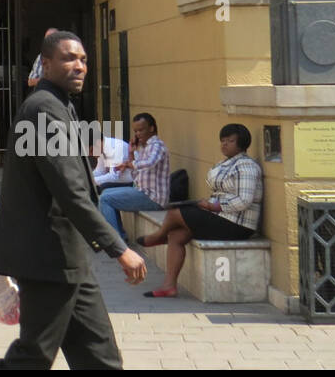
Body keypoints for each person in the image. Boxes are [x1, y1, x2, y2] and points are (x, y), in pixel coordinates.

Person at [0, 30, 146, 369]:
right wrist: (118, 248)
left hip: (70, 259)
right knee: (33, 357)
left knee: (100, 359)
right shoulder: (43, 111)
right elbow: (70, 191)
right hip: (48, 259)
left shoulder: (60, 107)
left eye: (83, 59)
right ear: (47, 64)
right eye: (69, 58)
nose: (79, 66)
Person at [136, 123, 262, 298]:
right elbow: (220, 192)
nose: (225, 144)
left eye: (230, 141)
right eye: (223, 141)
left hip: (237, 224)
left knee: (174, 214)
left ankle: (158, 236)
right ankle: (169, 286)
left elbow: (244, 201)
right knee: (176, 235)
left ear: (242, 143)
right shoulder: (226, 163)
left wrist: (213, 206)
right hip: (221, 216)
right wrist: (207, 203)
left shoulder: (246, 166)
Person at [97, 112, 168, 241]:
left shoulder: (157, 146)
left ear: (152, 128)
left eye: (141, 130)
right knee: (106, 192)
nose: (137, 134)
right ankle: (120, 236)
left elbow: (149, 163)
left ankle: (116, 240)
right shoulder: (144, 148)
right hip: (142, 192)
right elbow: (136, 175)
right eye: (136, 131)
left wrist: (130, 164)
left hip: (153, 198)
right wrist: (131, 153)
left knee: (105, 199)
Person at [89, 128, 131, 193]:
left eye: (91, 151)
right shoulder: (101, 149)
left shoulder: (117, 147)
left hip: (131, 182)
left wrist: (90, 181)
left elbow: (114, 177)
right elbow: (100, 171)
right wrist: (86, 177)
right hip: (119, 181)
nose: (91, 155)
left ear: (98, 143)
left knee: (102, 187)